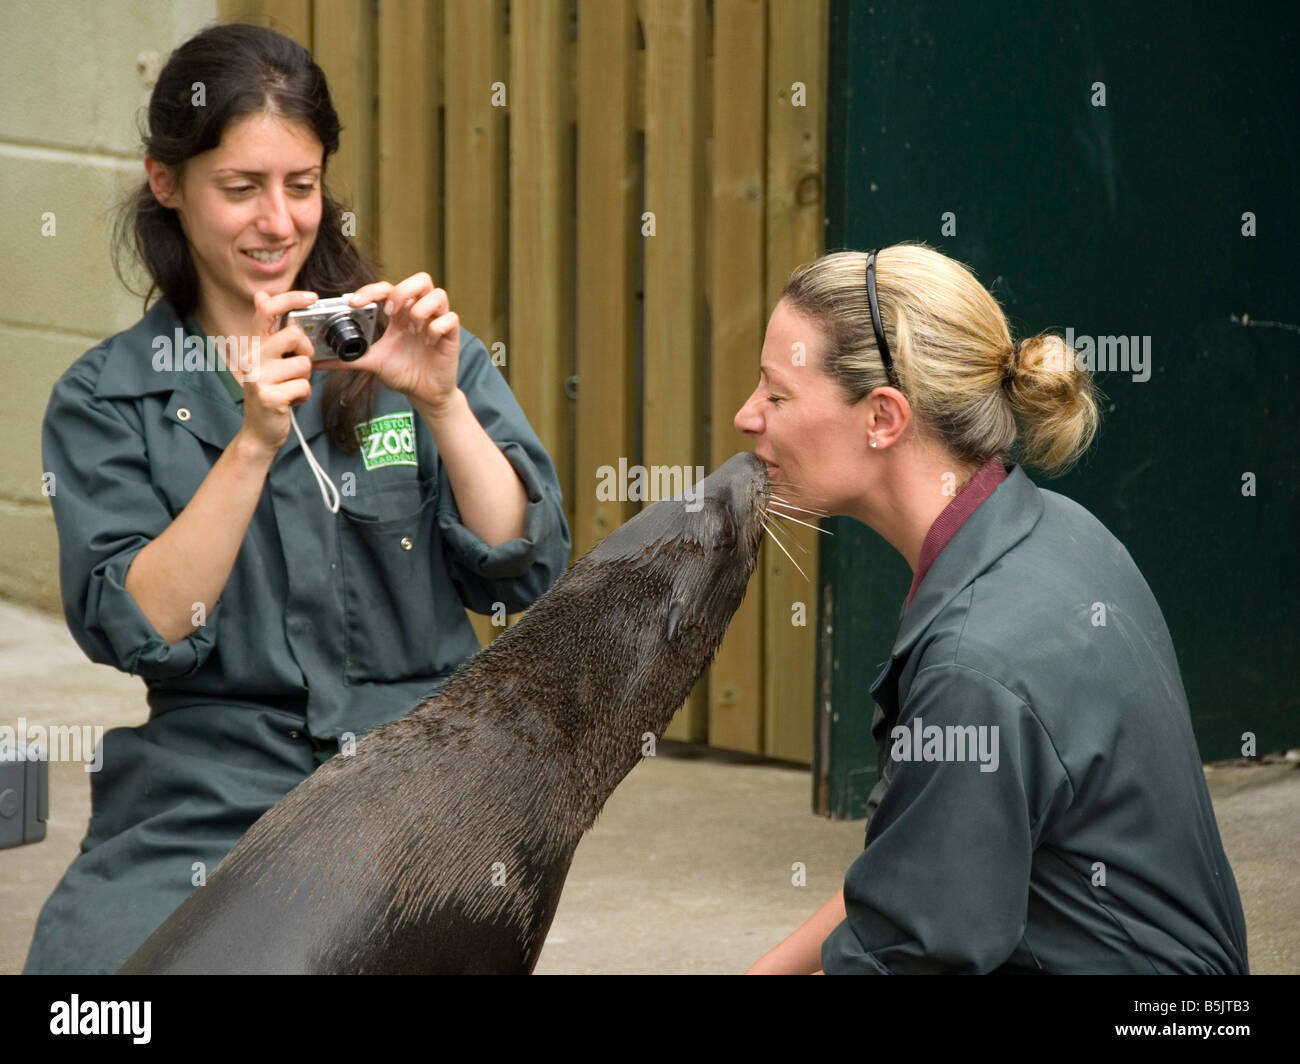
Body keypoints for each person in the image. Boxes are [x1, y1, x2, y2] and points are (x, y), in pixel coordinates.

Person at [24, 23, 570, 975]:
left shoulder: (416, 354)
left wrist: (442, 404)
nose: (278, 221)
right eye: (241, 188)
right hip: (209, 781)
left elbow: (525, 571)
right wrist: (252, 444)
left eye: (302, 185)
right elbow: (140, 624)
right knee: (95, 987)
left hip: (422, 767)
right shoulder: (106, 397)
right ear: (167, 182)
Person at [737, 244, 1248, 974]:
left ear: (883, 417)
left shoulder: (974, 668)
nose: (746, 416)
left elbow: (906, 957)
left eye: (777, 394)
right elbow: (919, 868)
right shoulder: (1057, 529)